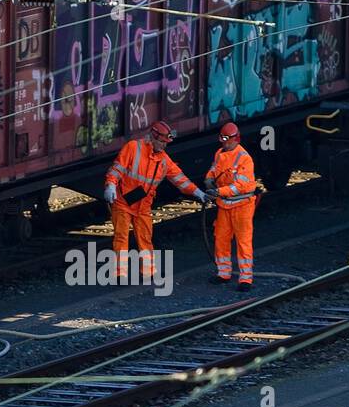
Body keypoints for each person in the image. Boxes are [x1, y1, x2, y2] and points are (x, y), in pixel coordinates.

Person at [104, 121, 206, 281]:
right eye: (162, 142)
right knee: (121, 237)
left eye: (166, 143)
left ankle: (148, 272)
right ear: (153, 137)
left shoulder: (164, 160)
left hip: (143, 205)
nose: (164, 146)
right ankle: (120, 274)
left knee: (145, 237)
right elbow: (117, 168)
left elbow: (180, 179)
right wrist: (110, 185)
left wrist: (198, 192)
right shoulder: (133, 148)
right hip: (123, 202)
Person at [205, 121, 257, 290]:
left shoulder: (244, 158)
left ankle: (245, 279)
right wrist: (209, 178)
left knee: (243, 242)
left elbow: (240, 186)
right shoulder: (219, 153)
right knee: (221, 239)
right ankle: (224, 273)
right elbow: (214, 169)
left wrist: (219, 191)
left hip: (242, 205)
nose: (224, 142)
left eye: (227, 139)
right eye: (222, 139)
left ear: (236, 139)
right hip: (225, 205)